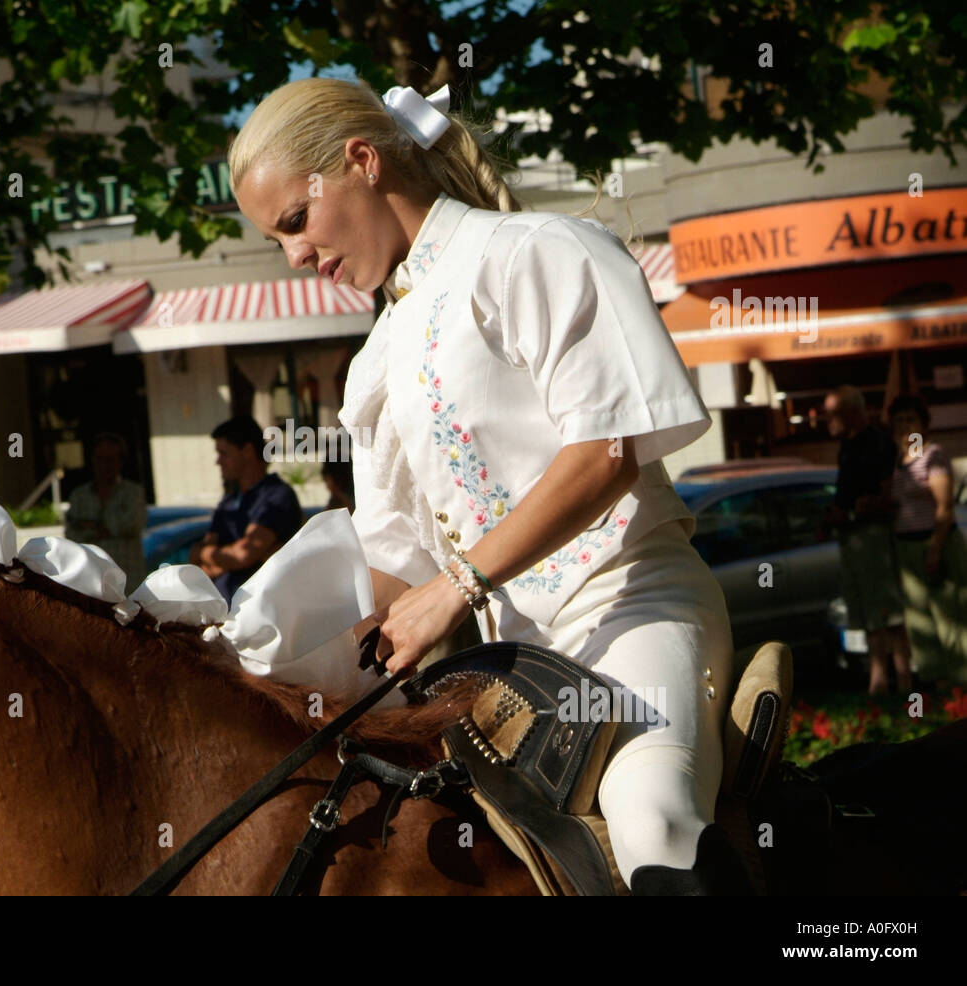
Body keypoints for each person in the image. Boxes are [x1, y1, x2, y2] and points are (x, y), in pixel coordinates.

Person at [230, 77, 748, 894]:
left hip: (633, 604)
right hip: (512, 668)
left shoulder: (542, 250)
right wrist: (245, 646)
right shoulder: (375, 362)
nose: (295, 254)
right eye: (277, 239)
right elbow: (396, 564)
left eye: (295, 221)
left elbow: (606, 451)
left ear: (362, 161)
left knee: (652, 816)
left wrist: (458, 584)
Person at [822, 386, 912, 694]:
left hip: (872, 536)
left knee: (887, 612)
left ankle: (900, 683)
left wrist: (862, 506)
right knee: (868, 613)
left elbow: (889, 494)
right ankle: (881, 684)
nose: (826, 420)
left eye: (832, 414)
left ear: (851, 413)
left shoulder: (877, 443)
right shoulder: (846, 446)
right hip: (853, 538)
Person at [888, 394, 967, 689]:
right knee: (919, 619)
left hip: (937, 544)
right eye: (899, 421)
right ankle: (938, 686)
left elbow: (944, 507)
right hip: (906, 546)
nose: (905, 426)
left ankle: (963, 685)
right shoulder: (898, 460)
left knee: (951, 616)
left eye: (910, 420)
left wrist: (935, 548)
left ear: (923, 424)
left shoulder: (932, 454)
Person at [190, 416, 303, 604]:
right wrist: (225, 560)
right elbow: (197, 558)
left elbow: (244, 554)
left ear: (248, 451)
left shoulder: (277, 496)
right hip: (222, 611)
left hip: (263, 612)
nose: (218, 461)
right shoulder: (229, 500)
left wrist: (212, 557)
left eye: (223, 453)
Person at [64, 434, 148, 585]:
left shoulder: (133, 493)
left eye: (110, 460)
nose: (104, 465)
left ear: (120, 462)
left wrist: (90, 526)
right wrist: (108, 528)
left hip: (128, 582)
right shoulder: (79, 496)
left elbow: (132, 524)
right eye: (99, 458)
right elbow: (72, 537)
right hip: (92, 582)